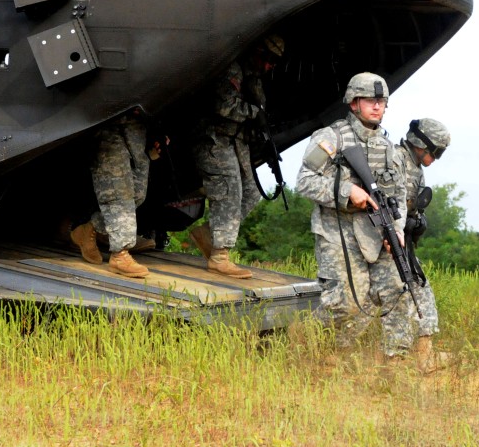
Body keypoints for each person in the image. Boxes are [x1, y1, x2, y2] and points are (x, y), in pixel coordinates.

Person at [294, 72, 416, 357]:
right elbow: (304, 181)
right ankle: (310, 342)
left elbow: (398, 195)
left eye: (381, 101)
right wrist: (347, 191)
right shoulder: (331, 138)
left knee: (399, 288)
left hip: (378, 232)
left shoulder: (389, 149)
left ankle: (396, 362)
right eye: (370, 100)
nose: (377, 106)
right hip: (338, 232)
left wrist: (396, 230)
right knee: (345, 303)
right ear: (353, 103)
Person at [188, 34, 284, 280]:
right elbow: (224, 107)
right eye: (269, 59)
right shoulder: (233, 69)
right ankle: (220, 256)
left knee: (251, 192)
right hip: (215, 138)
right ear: (259, 52)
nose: (270, 66)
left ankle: (210, 233)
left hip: (237, 140)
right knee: (230, 190)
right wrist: (255, 113)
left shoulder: (254, 77)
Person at [69, 111, 157, 279]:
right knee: (118, 188)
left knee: (138, 193)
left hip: (137, 120)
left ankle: (89, 229)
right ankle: (120, 255)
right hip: (108, 114)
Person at [394, 118, 451, 366]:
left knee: (421, 292)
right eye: (436, 151)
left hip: (402, 243)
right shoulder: (394, 160)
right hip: (382, 241)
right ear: (421, 144)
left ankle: (423, 356)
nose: (437, 158)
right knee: (400, 297)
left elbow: (414, 209)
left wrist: (417, 223)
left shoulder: (416, 169)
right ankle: (395, 356)